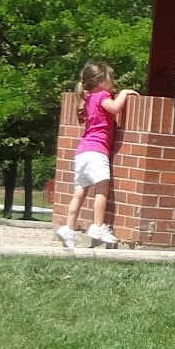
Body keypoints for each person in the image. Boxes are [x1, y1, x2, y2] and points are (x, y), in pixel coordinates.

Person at [55, 61, 138, 250]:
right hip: (96, 150)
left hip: (82, 151)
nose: (113, 83)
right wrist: (124, 93)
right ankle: (98, 226)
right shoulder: (102, 96)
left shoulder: (88, 99)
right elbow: (115, 108)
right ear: (101, 81)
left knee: (80, 192)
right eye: (111, 79)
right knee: (102, 188)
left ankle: (68, 228)